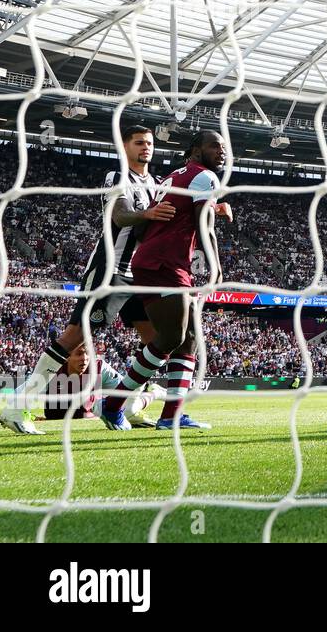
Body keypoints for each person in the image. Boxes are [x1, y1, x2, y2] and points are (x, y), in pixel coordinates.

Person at [1, 125, 168, 435]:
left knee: (158, 341)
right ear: (124, 145)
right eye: (139, 142)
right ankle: (17, 404)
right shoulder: (117, 176)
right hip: (109, 270)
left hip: (139, 275)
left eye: (149, 143)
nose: (146, 147)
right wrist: (148, 215)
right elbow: (120, 216)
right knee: (73, 338)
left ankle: (127, 406)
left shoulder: (155, 184)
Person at [96, 130, 233, 431]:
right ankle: (114, 402)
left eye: (224, 148)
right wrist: (216, 266)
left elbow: (147, 229)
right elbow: (203, 224)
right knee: (171, 338)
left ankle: (171, 415)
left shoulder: (172, 178)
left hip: (156, 260)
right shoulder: (204, 177)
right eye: (215, 146)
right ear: (196, 150)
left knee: (190, 340)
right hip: (165, 264)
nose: (222, 152)